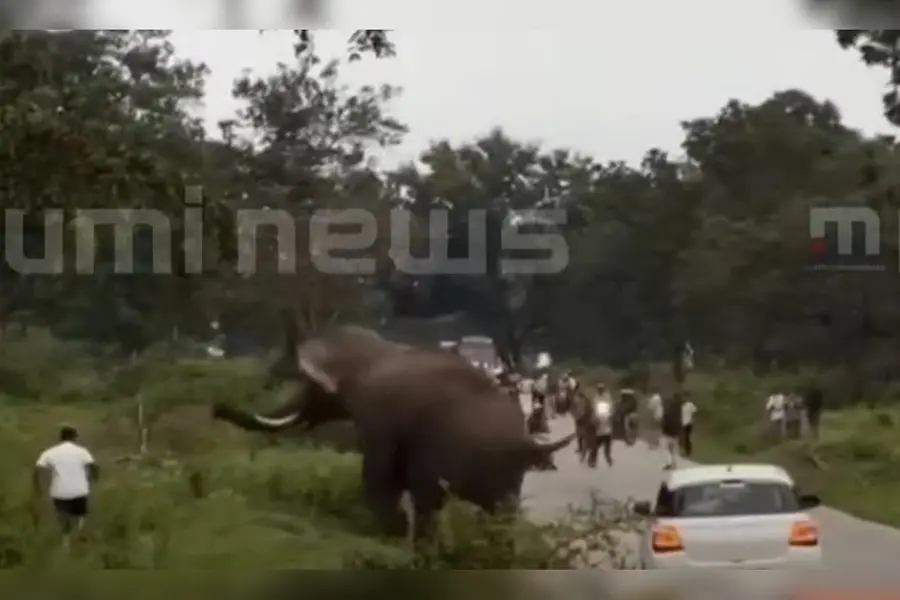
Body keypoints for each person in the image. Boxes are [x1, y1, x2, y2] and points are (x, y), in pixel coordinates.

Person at [33, 425, 98, 549]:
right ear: (74, 437)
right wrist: (94, 479)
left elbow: (37, 469)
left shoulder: (50, 452)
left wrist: (37, 487)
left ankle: (66, 543)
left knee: (63, 516)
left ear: (60, 437)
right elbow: (94, 466)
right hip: (79, 490)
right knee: (81, 515)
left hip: (59, 491)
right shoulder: (82, 451)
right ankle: (79, 538)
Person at [588, 383, 614, 467]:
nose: (600, 390)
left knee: (606, 446)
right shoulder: (595, 398)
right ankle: (592, 461)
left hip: (606, 420)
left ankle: (608, 459)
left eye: (601, 389)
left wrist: (610, 413)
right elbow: (593, 408)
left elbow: (611, 407)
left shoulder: (607, 397)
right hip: (599, 421)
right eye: (599, 389)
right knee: (595, 446)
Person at [661, 392, 683, 469]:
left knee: (667, 449)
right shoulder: (680, 409)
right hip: (676, 433)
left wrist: (663, 430)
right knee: (673, 449)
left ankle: (669, 463)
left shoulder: (669, 410)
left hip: (668, 432)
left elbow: (665, 420)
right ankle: (673, 463)